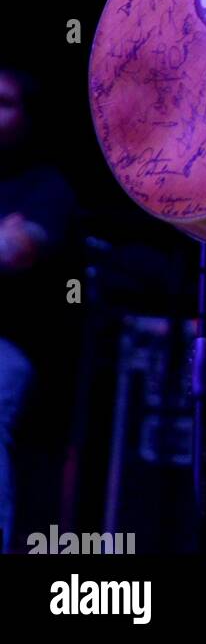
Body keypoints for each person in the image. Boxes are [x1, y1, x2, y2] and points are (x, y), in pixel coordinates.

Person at [0, 67, 77, 553]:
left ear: (27, 117)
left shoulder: (45, 186)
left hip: (11, 345)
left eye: (3, 103)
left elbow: (15, 251)